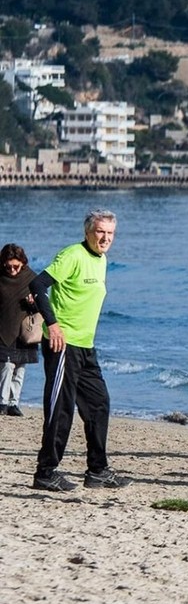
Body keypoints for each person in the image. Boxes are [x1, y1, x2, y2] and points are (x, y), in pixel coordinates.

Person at [29, 210, 130, 491]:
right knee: (61, 409)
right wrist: (53, 325)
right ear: (88, 231)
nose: (105, 238)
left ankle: (97, 471)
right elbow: (37, 284)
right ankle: (45, 472)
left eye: (110, 233)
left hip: (86, 346)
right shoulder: (72, 255)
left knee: (99, 403)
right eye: (100, 232)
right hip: (63, 345)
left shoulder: (102, 259)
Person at [1, 244, 39, 417]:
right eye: (8, 266)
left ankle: (13, 403)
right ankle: (2, 402)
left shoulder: (31, 278)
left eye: (16, 266)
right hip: (3, 328)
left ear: (23, 263)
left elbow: (43, 306)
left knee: (20, 368)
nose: (12, 270)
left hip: (25, 330)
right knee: (7, 366)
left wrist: (32, 303)